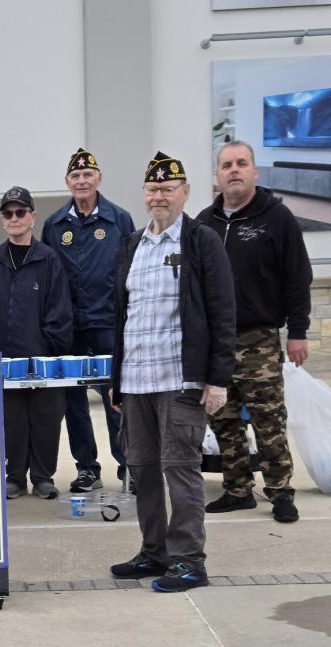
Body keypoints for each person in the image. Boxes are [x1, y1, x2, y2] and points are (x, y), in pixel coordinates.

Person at [109, 152, 236, 592]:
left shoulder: (202, 241)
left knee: (179, 468)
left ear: (184, 193)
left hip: (180, 379)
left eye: (167, 189)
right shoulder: (132, 244)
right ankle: (154, 551)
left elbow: (222, 311)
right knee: (141, 468)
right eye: (152, 189)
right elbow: (122, 316)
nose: (159, 195)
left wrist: (217, 379)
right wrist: (116, 380)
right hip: (136, 380)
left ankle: (188, 561)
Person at [197, 141, 312, 523]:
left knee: (268, 419)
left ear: (254, 172)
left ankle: (280, 491)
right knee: (224, 419)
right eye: (226, 164)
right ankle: (237, 490)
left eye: (241, 163)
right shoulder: (205, 223)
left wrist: (298, 332)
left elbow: (298, 278)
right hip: (217, 342)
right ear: (217, 175)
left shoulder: (276, 218)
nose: (234, 170)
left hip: (259, 337)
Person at [42, 148, 135, 493]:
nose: (82, 181)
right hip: (70, 328)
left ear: (98, 179)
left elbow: (129, 271)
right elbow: (49, 275)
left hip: (109, 324)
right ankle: (87, 469)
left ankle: (128, 465)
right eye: (75, 176)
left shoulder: (119, 219)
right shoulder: (54, 225)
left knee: (117, 398)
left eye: (87, 175)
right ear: (67, 182)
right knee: (74, 401)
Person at [0, 186, 73, 500]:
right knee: (11, 421)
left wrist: (46, 347)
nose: (14, 218)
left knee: (45, 420)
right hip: (3, 362)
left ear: (32, 217)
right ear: (3, 220)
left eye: (20, 212)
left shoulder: (49, 259)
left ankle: (43, 476)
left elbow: (61, 309)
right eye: (8, 213)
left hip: (40, 360)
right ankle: (15, 476)